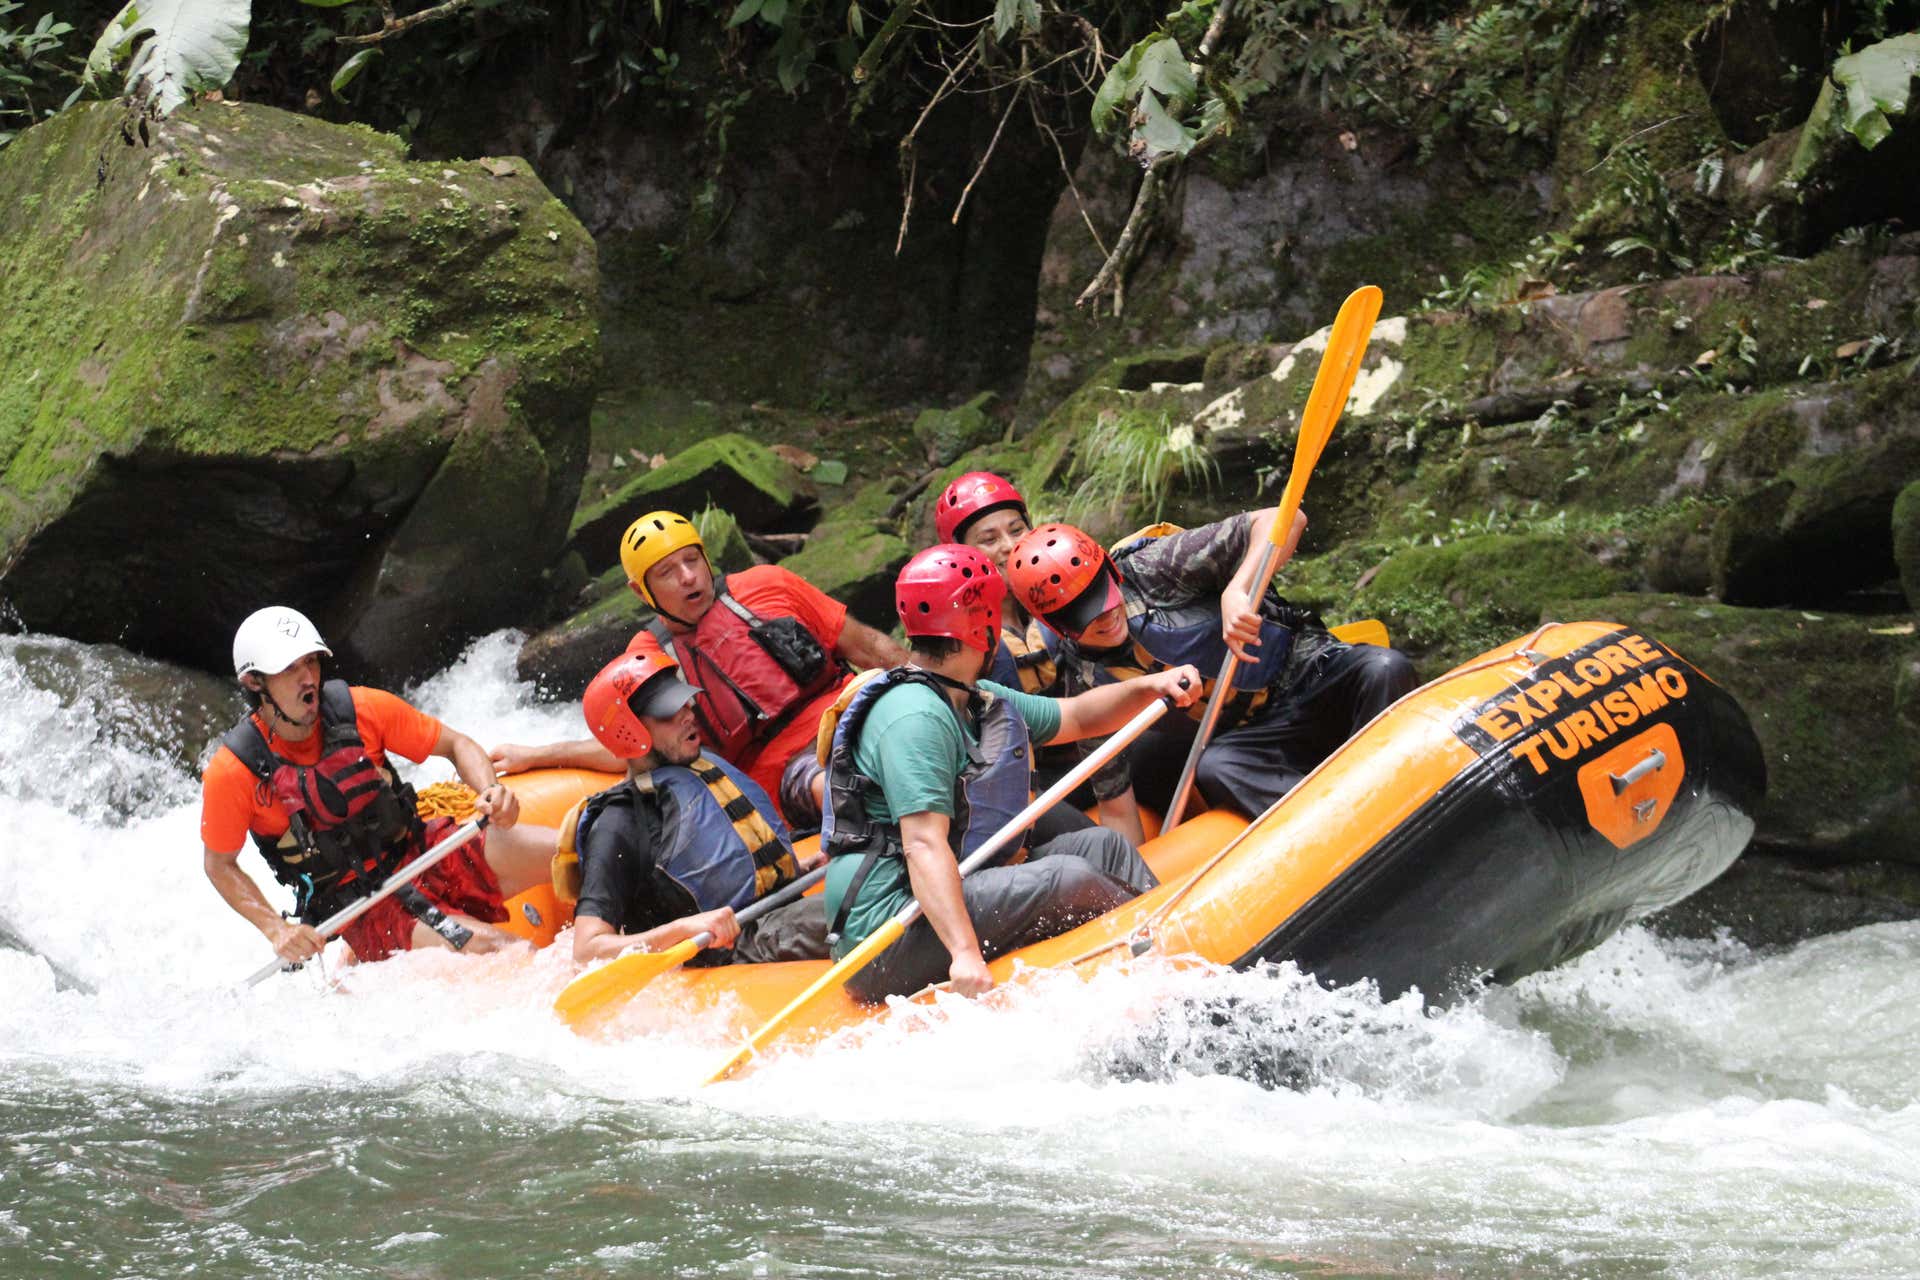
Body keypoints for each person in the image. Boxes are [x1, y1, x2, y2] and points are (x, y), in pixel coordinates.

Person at [821, 545, 1202, 1002]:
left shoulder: (969, 694)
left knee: (1102, 844)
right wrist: (964, 953)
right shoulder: (913, 716)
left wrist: (1150, 685)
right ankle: (1164, 981)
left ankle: (1179, 950)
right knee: (1067, 878)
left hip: (952, 885)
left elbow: (1077, 716)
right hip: (886, 933)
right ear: (981, 626)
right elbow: (922, 843)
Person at [493, 511, 905, 828]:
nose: (689, 577)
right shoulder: (649, 657)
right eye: (667, 572)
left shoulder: (769, 584)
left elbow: (871, 648)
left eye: (692, 560)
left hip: (855, 714)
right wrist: (540, 755)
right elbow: (633, 747)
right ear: (642, 591)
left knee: (904, 727)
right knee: (828, 782)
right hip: (789, 772)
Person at [1006, 510, 1418, 822]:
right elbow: (1115, 805)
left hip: (1310, 672)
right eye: (1083, 615)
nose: (1105, 614)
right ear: (1055, 626)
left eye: (1101, 594)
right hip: (1253, 733)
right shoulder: (1087, 684)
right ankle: (1343, 821)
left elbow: (1284, 519)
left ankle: (1402, 791)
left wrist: (1237, 590)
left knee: (1384, 668)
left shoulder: (1154, 568)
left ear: (1109, 572)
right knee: (1218, 767)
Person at [201, 606, 555, 968]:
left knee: (575, 848)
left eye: (311, 661)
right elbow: (219, 864)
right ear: (254, 683)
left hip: (425, 853)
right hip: (366, 909)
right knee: (509, 952)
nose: (308, 677)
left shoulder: (361, 707)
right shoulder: (233, 772)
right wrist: (275, 929)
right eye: (290, 668)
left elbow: (456, 745)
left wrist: (489, 789)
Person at [561, 650, 828, 966]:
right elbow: (586, 949)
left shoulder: (701, 765)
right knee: (864, 910)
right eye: (668, 712)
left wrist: (795, 871)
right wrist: (683, 929)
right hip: (732, 946)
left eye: (685, 702)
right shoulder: (618, 821)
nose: (689, 714)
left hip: (778, 916)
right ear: (628, 732)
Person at [933, 470, 1146, 843]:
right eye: (989, 538)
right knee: (1094, 842)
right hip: (1032, 785)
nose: (1009, 545)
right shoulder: (959, 641)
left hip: (1102, 751)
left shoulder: (1068, 590)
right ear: (962, 553)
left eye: (1017, 530)